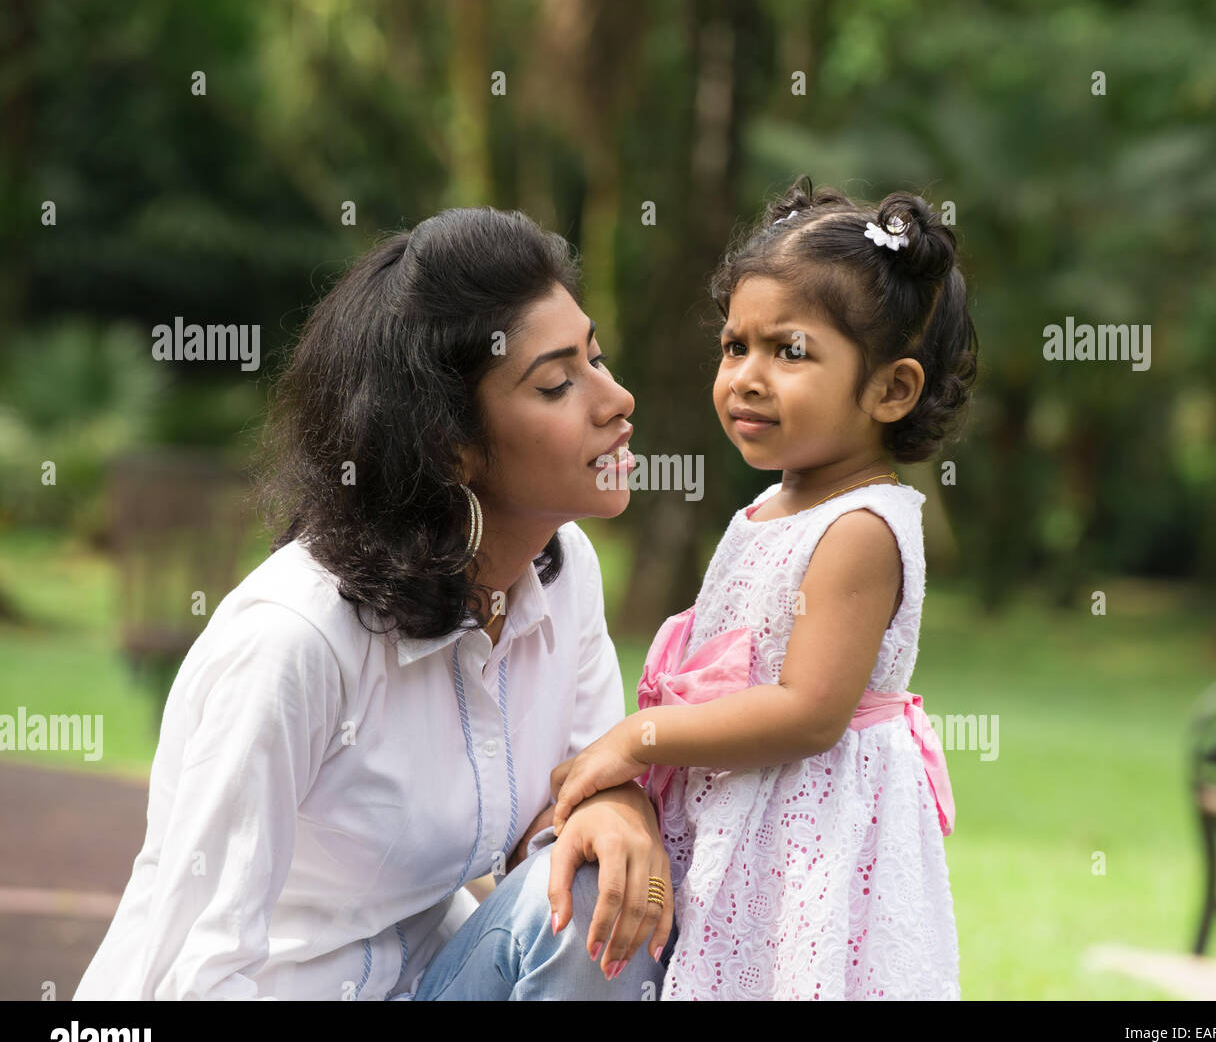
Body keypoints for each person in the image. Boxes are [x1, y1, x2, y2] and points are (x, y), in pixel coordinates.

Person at [73, 206, 674, 1000]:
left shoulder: (563, 576)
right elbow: (199, 966)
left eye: (596, 359)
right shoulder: (296, 641)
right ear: (447, 444)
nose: (617, 400)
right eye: (559, 382)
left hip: (435, 980)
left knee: (600, 888)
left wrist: (618, 810)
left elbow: (577, 794)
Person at [550, 176, 979, 999]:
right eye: (734, 345)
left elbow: (809, 711)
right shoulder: (771, 506)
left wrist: (643, 734)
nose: (747, 375)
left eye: (790, 352)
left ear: (891, 389)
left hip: (809, 830)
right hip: (745, 812)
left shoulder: (861, 527)